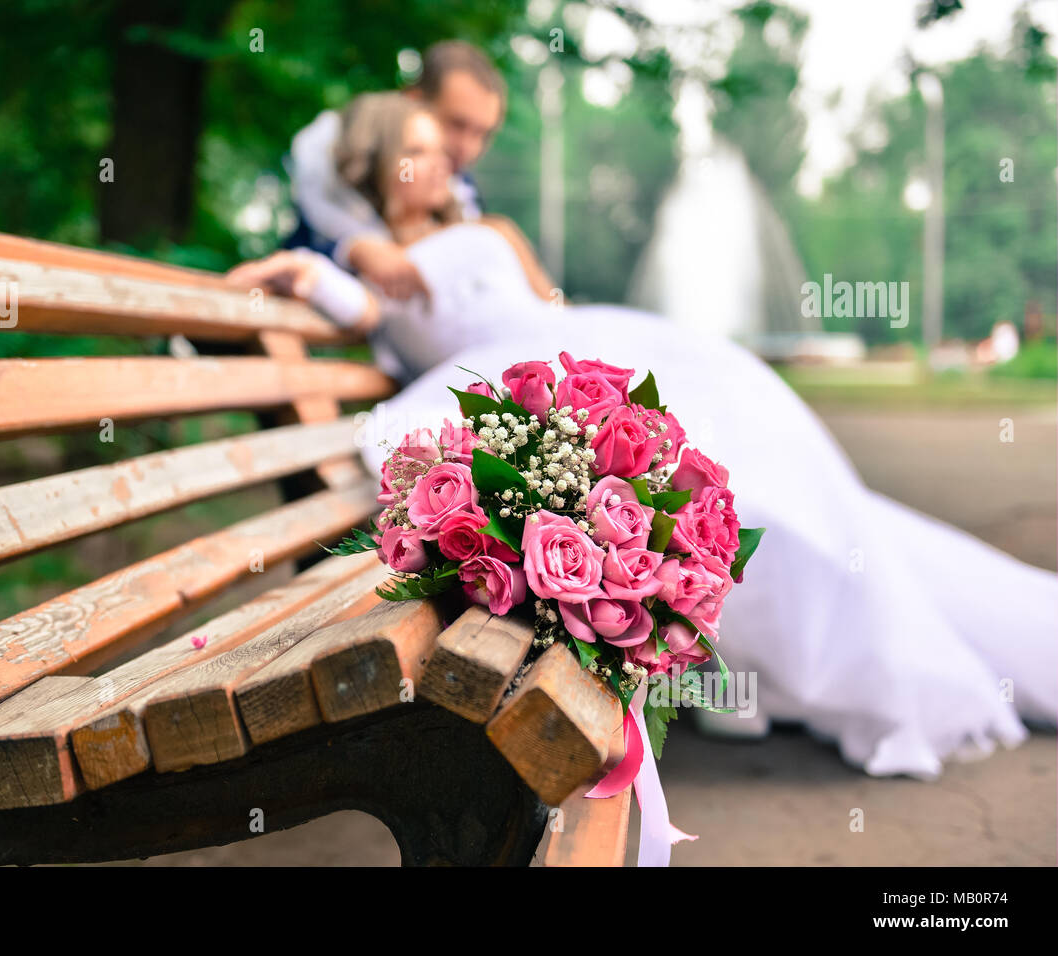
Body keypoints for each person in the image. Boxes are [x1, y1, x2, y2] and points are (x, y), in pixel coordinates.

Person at [227, 92, 1058, 781]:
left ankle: (787, 658)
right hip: (513, 382)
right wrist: (307, 269)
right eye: (415, 149)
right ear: (375, 164)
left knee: (744, 475)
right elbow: (362, 305)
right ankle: (752, 664)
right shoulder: (378, 262)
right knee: (696, 501)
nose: (440, 160)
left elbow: (539, 301)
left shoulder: (483, 231)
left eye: (440, 148)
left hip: (576, 350)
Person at [282, 40, 505, 301]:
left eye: (483, 134)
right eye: (456, 124)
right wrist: (354, 250)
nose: (468, 149)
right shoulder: (338, 149)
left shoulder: (466, 196)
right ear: (414, 101)